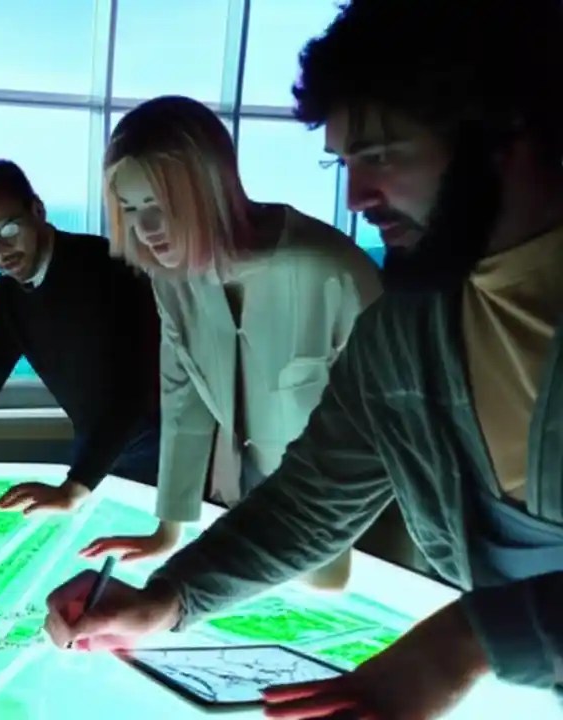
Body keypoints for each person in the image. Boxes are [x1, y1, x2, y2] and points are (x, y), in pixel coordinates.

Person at [44, 0, 563, 716]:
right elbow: (312, 498)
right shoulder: (403, 332)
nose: (357, 196)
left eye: (382, 155)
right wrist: (167, 599)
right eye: (345, 162)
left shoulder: (335, 276)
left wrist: (462, 643)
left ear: (509, 130)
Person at [77, 96, 381, 589]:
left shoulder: (333, 270)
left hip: (352, 522)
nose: (145, 229)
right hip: (245, 508)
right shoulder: (171, 280)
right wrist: (168, 529)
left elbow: (392, 429)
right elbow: (184, 401)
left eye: (158, 205)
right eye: (130, 209)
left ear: (209, 188)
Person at [0, 160, 161, 514]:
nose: (1, 251)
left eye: (9, 231)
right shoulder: (10, 293)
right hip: (93, 440)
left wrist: (75, 487)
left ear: (37, 210)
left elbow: (135, 389)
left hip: (157, 441)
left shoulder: (108, 269)